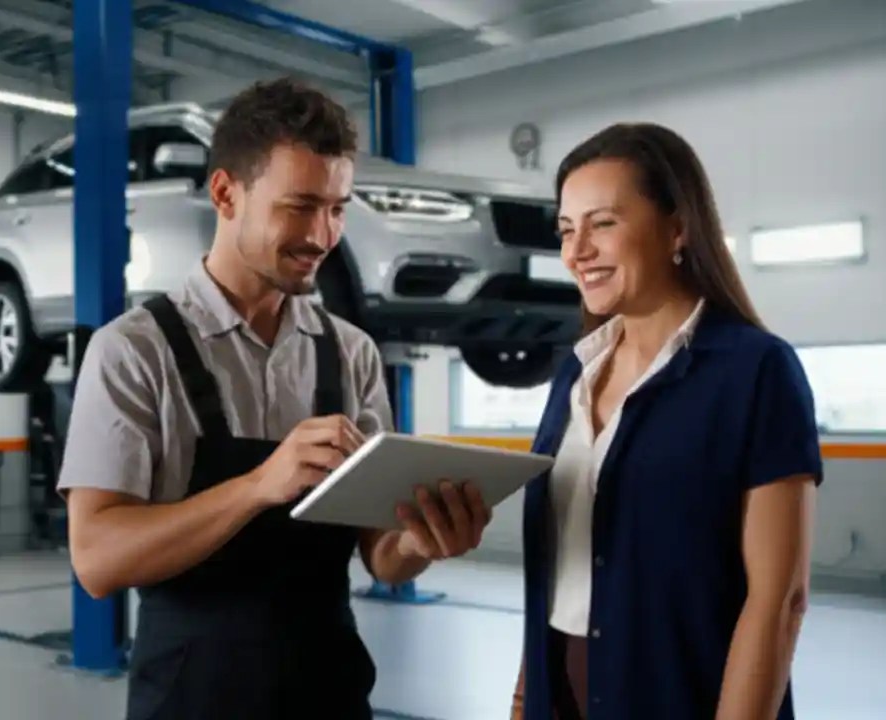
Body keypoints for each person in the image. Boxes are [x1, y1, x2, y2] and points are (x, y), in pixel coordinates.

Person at [58, 77, 492, 720]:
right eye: (300, 205)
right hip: (189, 700)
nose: (323, 234)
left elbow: (382, 555)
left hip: (330, 695)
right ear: (226, 193)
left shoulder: (351, 355)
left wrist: (424, 542)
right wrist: (260, 484)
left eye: (339, 207)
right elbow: (96, 559)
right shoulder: (132, 351)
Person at [511, 123, 822, 720]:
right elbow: (559, 570)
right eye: (566, 230)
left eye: (602, 224)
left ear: (678, 227)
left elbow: (779, 601)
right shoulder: (572, 378)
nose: (576, 252)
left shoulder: (756, 371)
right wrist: (525, 701)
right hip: (564, 695)